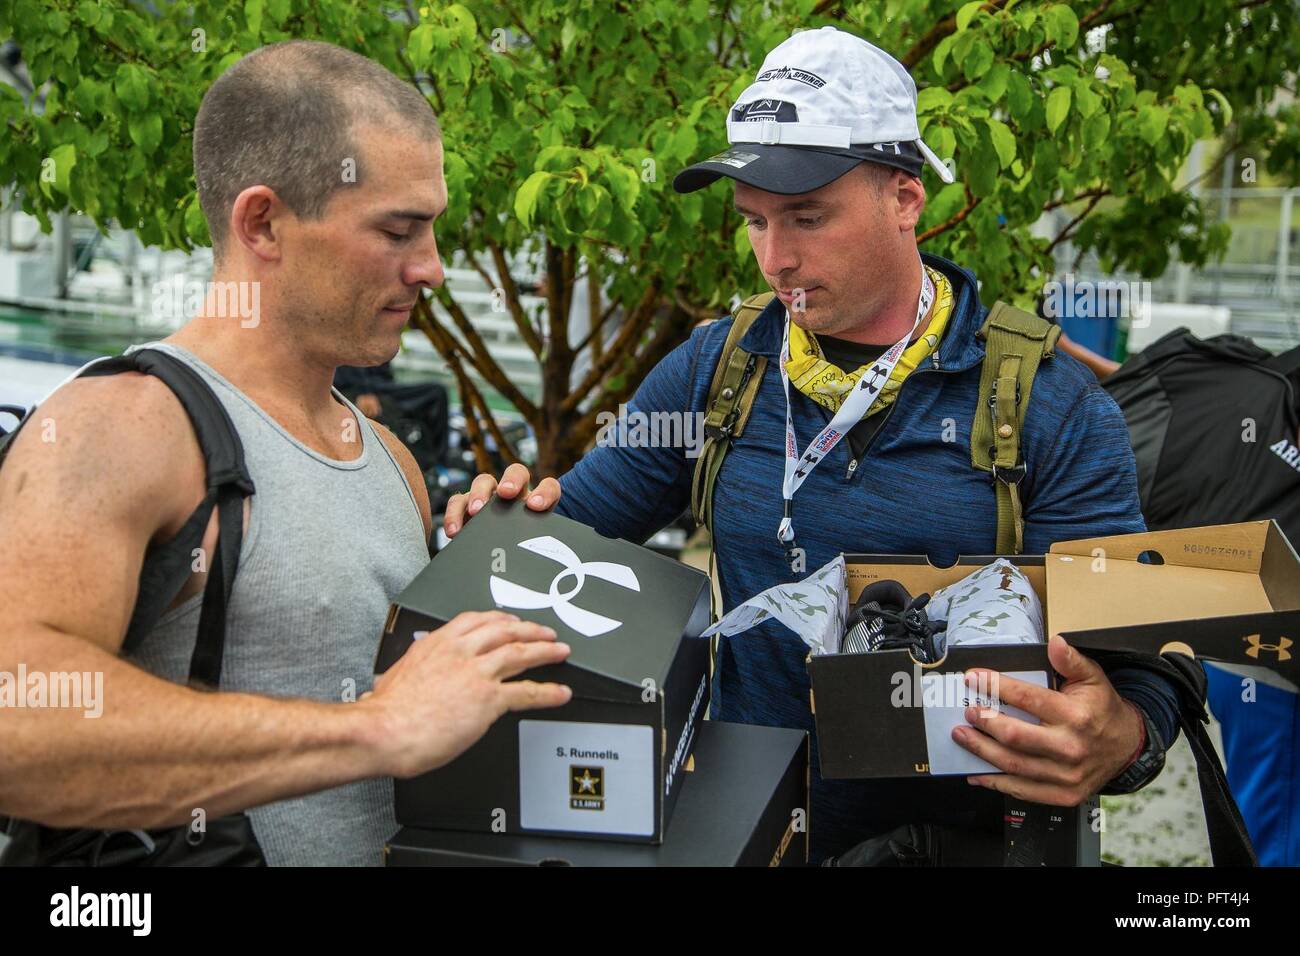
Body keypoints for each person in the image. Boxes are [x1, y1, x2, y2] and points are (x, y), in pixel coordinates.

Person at [445, 26, 1180, 862]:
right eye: (754, 222)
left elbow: (1143, 662)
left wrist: (1120, 737)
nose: (777, 258)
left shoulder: (1049, 406)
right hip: (748, 832)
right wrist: (501, 532)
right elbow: (574, 533)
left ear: (905, 198)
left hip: (956, 845)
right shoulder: (719, 366)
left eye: (807, 217)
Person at [0, 40, 571, 866]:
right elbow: (21, 722)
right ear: (263, 222)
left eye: (433, 229)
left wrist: (489, 575)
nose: (433, 269)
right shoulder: (122, 423)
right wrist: (374, 727)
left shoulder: (388, 457)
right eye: (398, 230)